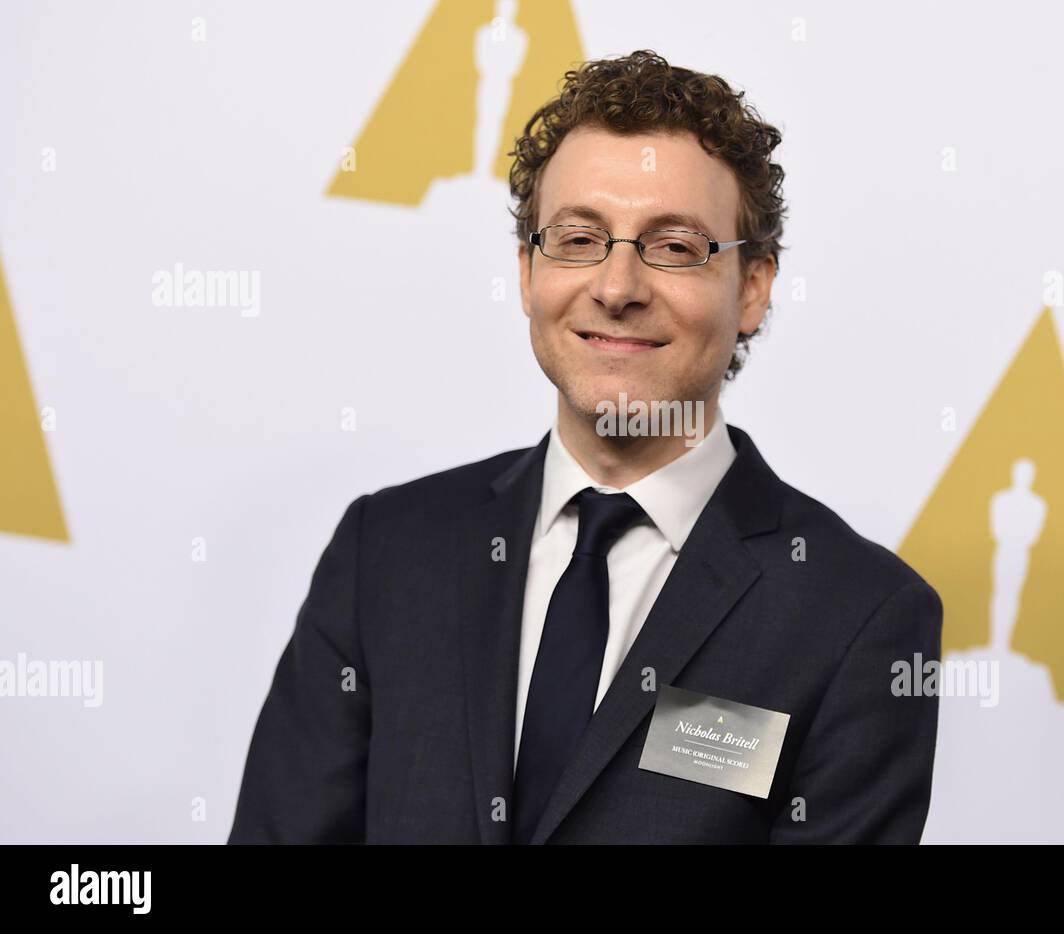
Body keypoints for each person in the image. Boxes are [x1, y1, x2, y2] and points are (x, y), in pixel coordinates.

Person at [229, 49, 943, 845]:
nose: (617, 286)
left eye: (675, 246)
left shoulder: (858, 617)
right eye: (579, 239)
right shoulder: (386, 552)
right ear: (529, 270)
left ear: (752, 288)